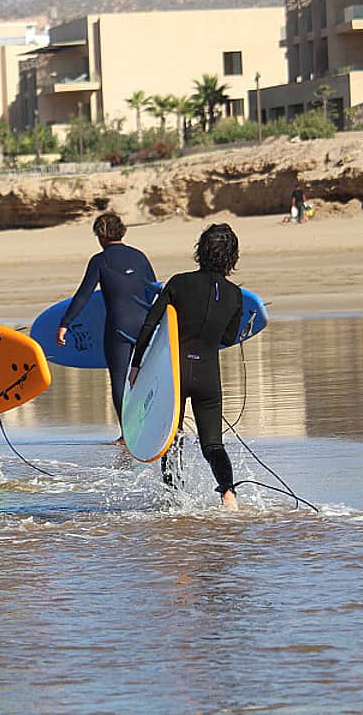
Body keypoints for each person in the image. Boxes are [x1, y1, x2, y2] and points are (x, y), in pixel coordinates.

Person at [130, 223, 244, 511]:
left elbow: (150, 324)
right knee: (213, 446)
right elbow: (229, 337)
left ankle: (174, 501)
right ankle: (228, 495)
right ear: (232, 257)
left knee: (171, 439)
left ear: (201, 251)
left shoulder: (179, 283)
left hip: (175, 375)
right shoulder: (235, 295)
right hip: (208, 376)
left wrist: (136, 365)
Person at [56, 213, 156, 446]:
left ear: (101, 235)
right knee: (144, 377)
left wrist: (64, 323)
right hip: (145, 324)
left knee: (120, 379)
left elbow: (83, 296)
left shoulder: (100, 260)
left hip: (119, 326)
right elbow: (153, 290)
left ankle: (128, 436)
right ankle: (151, 426)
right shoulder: (139, 256)